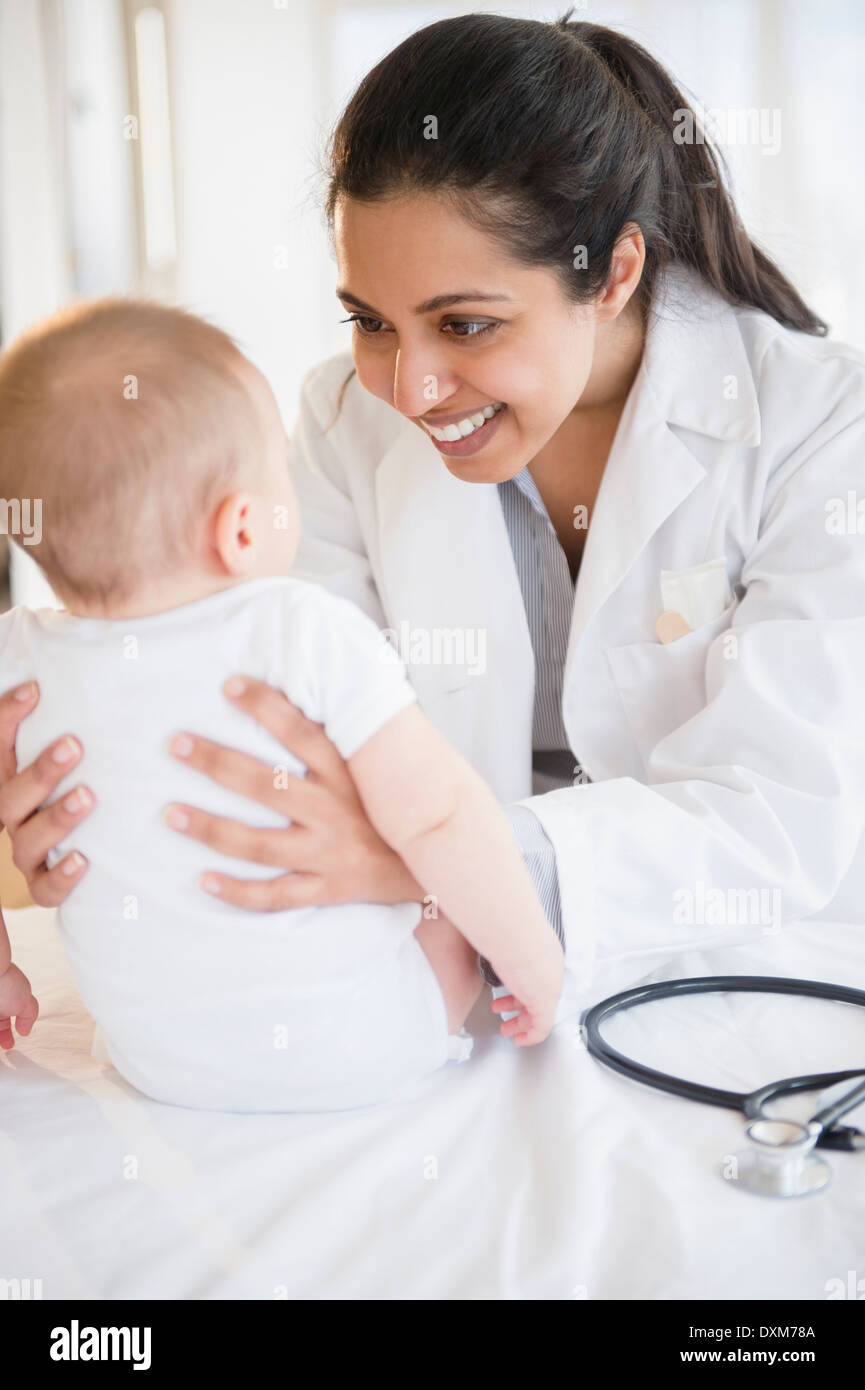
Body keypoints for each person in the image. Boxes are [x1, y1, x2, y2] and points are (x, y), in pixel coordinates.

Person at [2, 12, 864, 1005]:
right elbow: (279, 748)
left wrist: (443, 858)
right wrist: (102, 786)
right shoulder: (341, 425)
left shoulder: (817, 424)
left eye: (466, 324)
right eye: (370, 322)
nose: (407, 390)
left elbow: (772, 824)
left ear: (614, 273)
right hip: (437, 984)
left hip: (759, 981)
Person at [0, 298, 564, 1111]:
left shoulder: (19, 657)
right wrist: (534, 965)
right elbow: (442, 820)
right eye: (277, 471)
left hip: (155, 1057)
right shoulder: (301, 629)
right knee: (442, 913)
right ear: (238, 528)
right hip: (367, 1044)